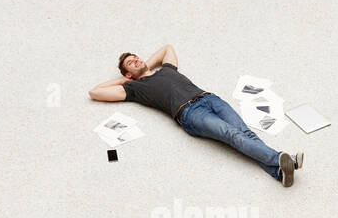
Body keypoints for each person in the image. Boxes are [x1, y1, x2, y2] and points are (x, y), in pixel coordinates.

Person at [89, 44, 304, 186]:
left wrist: (142, 65)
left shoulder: (167, 70)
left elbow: (166, 48)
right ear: (127, 73)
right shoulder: (136, 89)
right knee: (232, 135)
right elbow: (95, 92)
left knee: (245, 134)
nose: (135, 61)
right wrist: (127, 79)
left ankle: (279, 173)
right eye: (130, 64)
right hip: (190, 114)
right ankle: (282, 158)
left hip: (210, 98)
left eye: (136, 57)